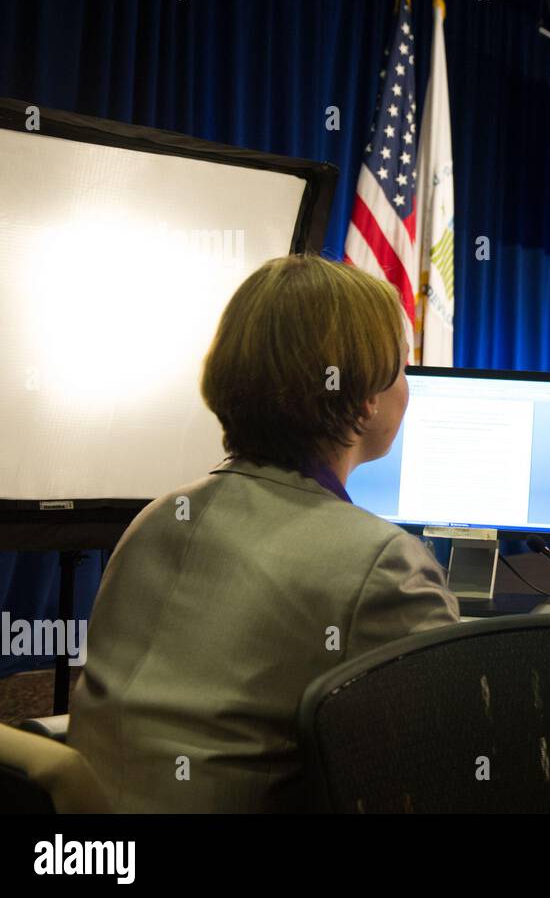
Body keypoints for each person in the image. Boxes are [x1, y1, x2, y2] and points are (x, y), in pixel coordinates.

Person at [68, 255, 459, 813]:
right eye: (402, 369)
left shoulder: (157, 516)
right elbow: (449, 772)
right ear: (368, 398)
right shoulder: (384, 564)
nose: (408, 387)